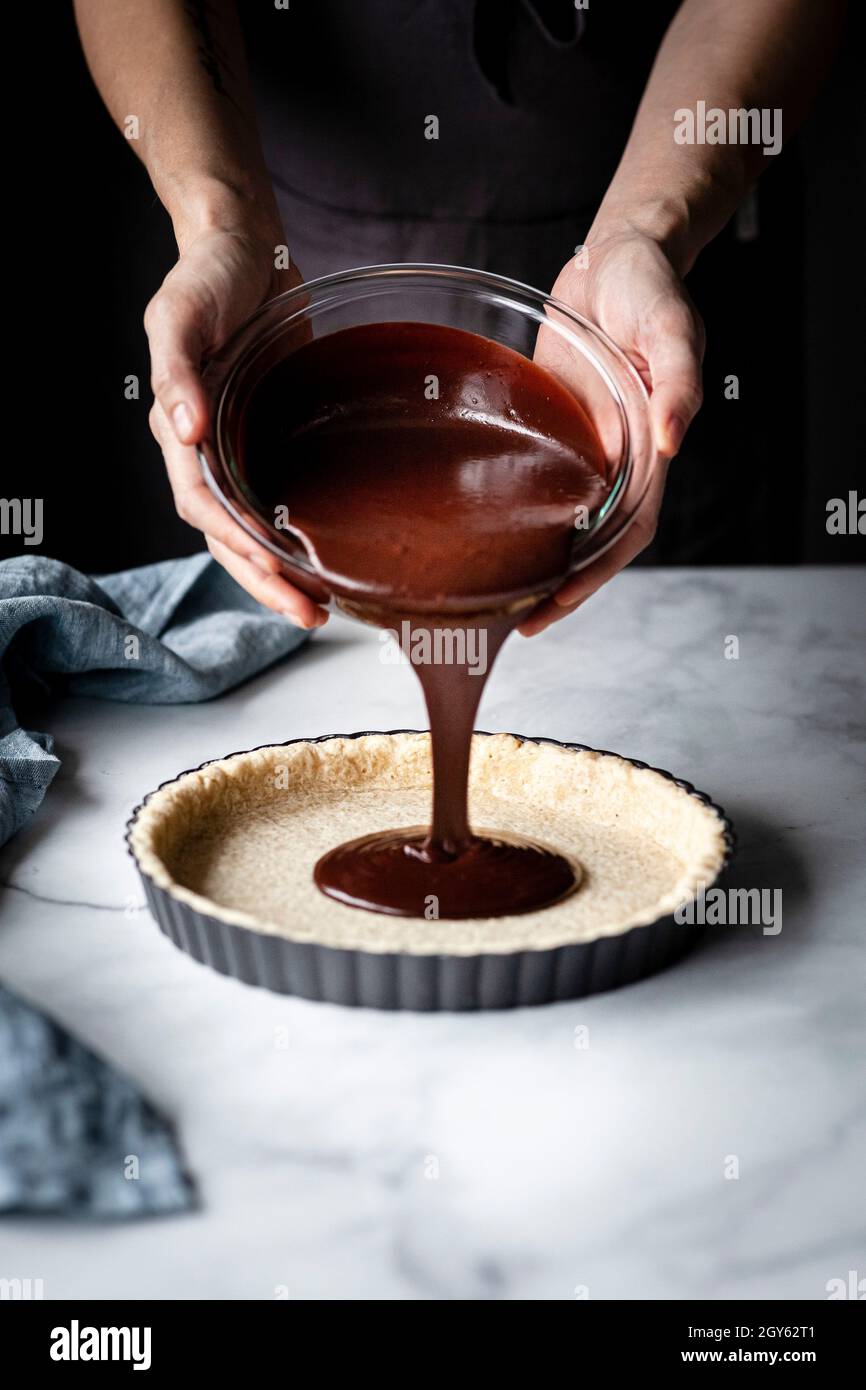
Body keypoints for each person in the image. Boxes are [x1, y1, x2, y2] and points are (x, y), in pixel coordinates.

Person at [74, 0, 844, 632]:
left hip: (652, 289)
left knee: (676, 664)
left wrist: (647, 229)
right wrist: (223, 227)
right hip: (290, 287)